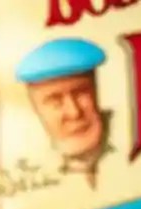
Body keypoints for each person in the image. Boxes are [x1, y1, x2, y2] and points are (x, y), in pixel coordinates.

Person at [15, 38, 109, 187]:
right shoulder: (27, 165)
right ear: (36, 108)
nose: (74, 112)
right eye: (55, 101)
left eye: (81, 93)